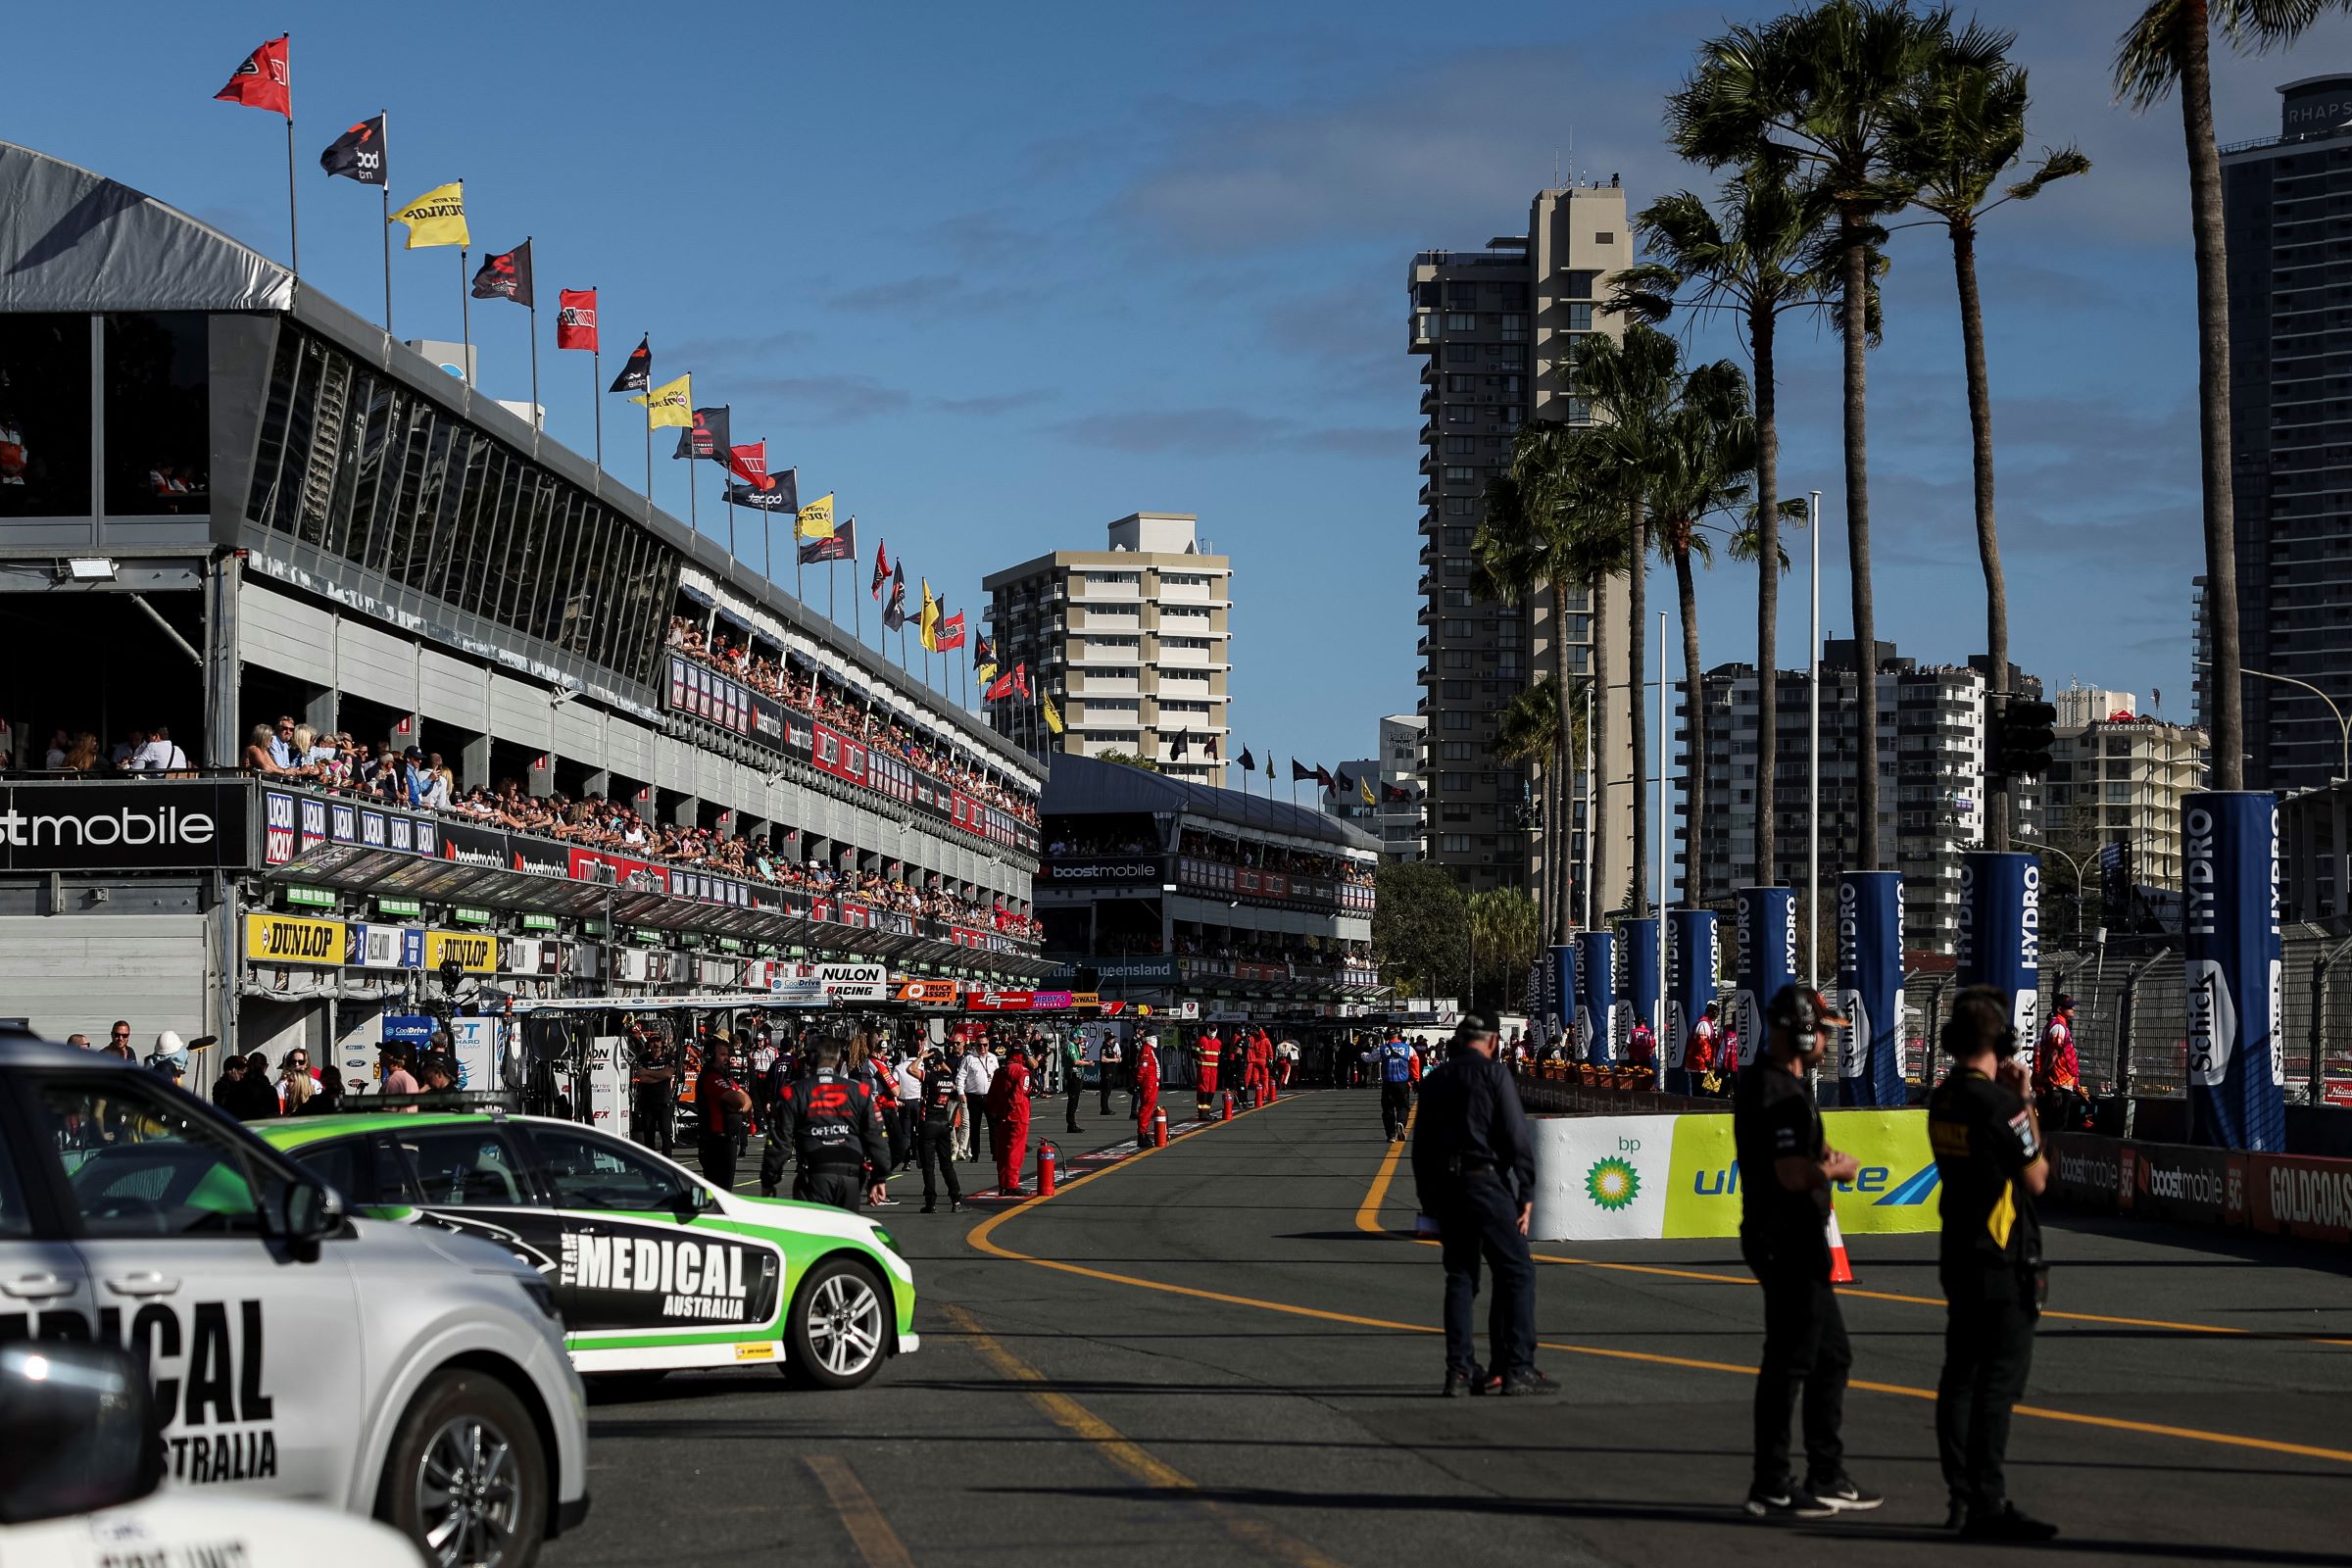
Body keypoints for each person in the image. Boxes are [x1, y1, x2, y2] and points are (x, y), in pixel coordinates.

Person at [1733, 986, 1879, 1520]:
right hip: (1785, 1237)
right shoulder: (1778, 1090)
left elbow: (1795, 1157)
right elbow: (1791, 1172)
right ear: (1798, 1031)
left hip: (1793, 1236)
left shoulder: (1781, 1085)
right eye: (1820, 1030)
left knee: (1830, 1355)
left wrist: (1819, 1161)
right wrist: (1832, 1170)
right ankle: (1771, 1482)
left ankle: (1825, 1472)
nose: (1826, 1040)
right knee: (1791, 1360)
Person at [1931, 985, 2056, 1542]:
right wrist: (2024, 1100)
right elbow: (2037, 1177)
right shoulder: (2001, 1106)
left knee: (1959, 1377)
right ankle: (1987, 1500)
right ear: (2001, 1042)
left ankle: (1962, 1496)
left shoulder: (1944, 1098)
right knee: (1997, 1384)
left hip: (1958, 1248)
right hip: (2002, 1258)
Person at [1409, 1012, 1551, 1398]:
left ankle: (1458, 1370)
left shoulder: (1435, 1080)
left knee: (1460, 1276)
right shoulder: (1494, 1074)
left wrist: (1429, 1201)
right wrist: (1525, 1193)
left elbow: (1419, 1149)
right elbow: (1516, 1136)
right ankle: (1517, 1366)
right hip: (1484, 1181)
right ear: (1492, 1042)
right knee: (1517, 1271)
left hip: (1446, 1187)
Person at [765, 1035, 891, 1210]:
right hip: (850, 1177)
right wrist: (879, 1177)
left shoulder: (793, 1092)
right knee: (847, 1235)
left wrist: (769, 1179)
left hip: (814, 1176)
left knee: (814, 1236)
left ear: (808, 1059)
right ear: (838, 1059)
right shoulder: (860, 1092)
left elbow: (779, 1142)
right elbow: (877, 1138)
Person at [694, 1038, 752, 1191]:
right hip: (714, 1142)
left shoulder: (725, 1077)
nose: (727, 1058)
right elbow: (739, 1099)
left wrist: (737, 1108)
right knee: (719, 1190)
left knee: (726, 1189)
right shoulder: (711, 1078)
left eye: (728, 1054)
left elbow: (747, 1100)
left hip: (728, 1139)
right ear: (710, 1056)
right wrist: (737, 1103)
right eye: (722, 1055)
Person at [916, 1049, 964, 1214]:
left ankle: (931, 1202)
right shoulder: (948, 1077)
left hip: (928, 1124)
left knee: (929, 1166)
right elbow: (948, 1070)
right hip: (943, 1124)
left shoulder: (930, 1077)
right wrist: (940, 1059)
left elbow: (911, 1070)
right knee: (947, 1164)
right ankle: (956, 1199)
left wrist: (921, 1057)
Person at [986, 1043, 1035, 1196]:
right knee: (1015, 1151)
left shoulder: (999, 1071)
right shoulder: (1023, 1071)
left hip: (1001, 1117)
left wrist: (997, 1113)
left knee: (1002, 1152)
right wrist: (1009, 1111)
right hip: (1017, 1116)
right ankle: (1012, 1184)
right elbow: (1019, 1095)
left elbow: (991, 1096)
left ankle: (1003, 1184)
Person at [2034, 995, 2086, 1132]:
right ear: (2059, 1009)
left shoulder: (2055, 1025)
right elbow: (2053, 1055)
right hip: (2059, 1081)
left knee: (2054, 1121)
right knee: (2058, 1124)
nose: (2073, 1008)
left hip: (2061, 1081)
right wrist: (2043, 1075)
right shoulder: (2058, 1027)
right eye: (2069, 1007)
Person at [958, 1035, 998, 1165]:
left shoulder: (993, 1057)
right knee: (974, 1126)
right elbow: (960, 1078)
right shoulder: (969, 1059)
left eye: (985, 1045)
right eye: (980, 1045)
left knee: (994, 1125)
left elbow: (997, 1076)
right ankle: (975, 1153)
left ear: (988, 1045)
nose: (982, 1047)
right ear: (975, 1046)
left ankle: (995, 1152)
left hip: (990, 1096)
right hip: (974, 1096)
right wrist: (961, 1093)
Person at [1376, 1031, 1420, 1143]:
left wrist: (1361, 1054)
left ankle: (1391, 1135)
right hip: (1402, 1084)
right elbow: (1415, 1062)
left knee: (1387, 1109)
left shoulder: (1382, 1049)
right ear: (1398, 1036)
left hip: (1388, 1084)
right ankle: (1401, 1122)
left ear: (1386, 1036)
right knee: (1403, 1106)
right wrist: (1416, 1080)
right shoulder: (1408, 1048)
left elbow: (1369, 1058)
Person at [1682, 1001, 1722, 1098]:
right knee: (1700, 1089)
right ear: (1711, 1013)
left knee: (1702, 1088)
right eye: (1716, 1014)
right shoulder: (1703, 1024)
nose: (1717, 1016)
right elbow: (1702, 1043)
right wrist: (1708, 1060)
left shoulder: (1706, 1024)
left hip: (1701, 1062)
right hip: (1699, 1063)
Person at [1133, 1032, 1161, 1142]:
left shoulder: (1149, 1050)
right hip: (1149, 1083)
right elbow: (1142, 1068)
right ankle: (1142, 1134)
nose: (1156, 1040)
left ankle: (1144, 1132)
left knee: (1148, 1108)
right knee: (1146, 1109)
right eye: (1154, 1037)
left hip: (1152, 1083)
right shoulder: (1146, 1049)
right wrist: (1138, 1081)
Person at [377, 1042, 420, 1107]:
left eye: (382, 1051)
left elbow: (388, 1113)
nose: (379, 1054)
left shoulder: (393, 1081)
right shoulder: (409, 1078)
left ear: (390, 1057)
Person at [1194, 1027, 1222, 1119]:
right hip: (1204, 1068)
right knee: (1203, 1089)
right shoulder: (1202, 1040)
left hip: (1214, 1069)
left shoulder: (1218, 1042)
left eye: (1214, 1030)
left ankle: (1206, 1111)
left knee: (1211, 1090)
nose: (1212, 1032)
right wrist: (1198, 1063)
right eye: (1211, 1030)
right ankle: (1202, 1113)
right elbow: (1194, 1052)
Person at [1062, 1029, 1087, 1134]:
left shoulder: (1076, 1045)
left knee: (1075, 1100)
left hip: (1077, 1075)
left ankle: (1072, 1123)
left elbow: (1080, 1056)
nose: (1082, 1040)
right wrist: (1087, 1063)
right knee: (1073, 1100)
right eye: (1080, 1037)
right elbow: (1075, 1061)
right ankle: (1071, 1124)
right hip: (1073, 1075)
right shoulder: (1070, 1045)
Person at [1097, 1030, 1123, 1118]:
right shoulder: (1104, 1047)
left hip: (1111, 1070)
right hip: (1107, 1071)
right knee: (1105, 1090)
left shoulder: (1111, 1047)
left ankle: (1106, 1108)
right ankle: (1104, 1109)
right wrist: (1114, 1060)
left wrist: (1117, 1059)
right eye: (1111, 1038)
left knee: (1108, 1090)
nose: (1113, 1040)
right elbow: (1103, 1059)